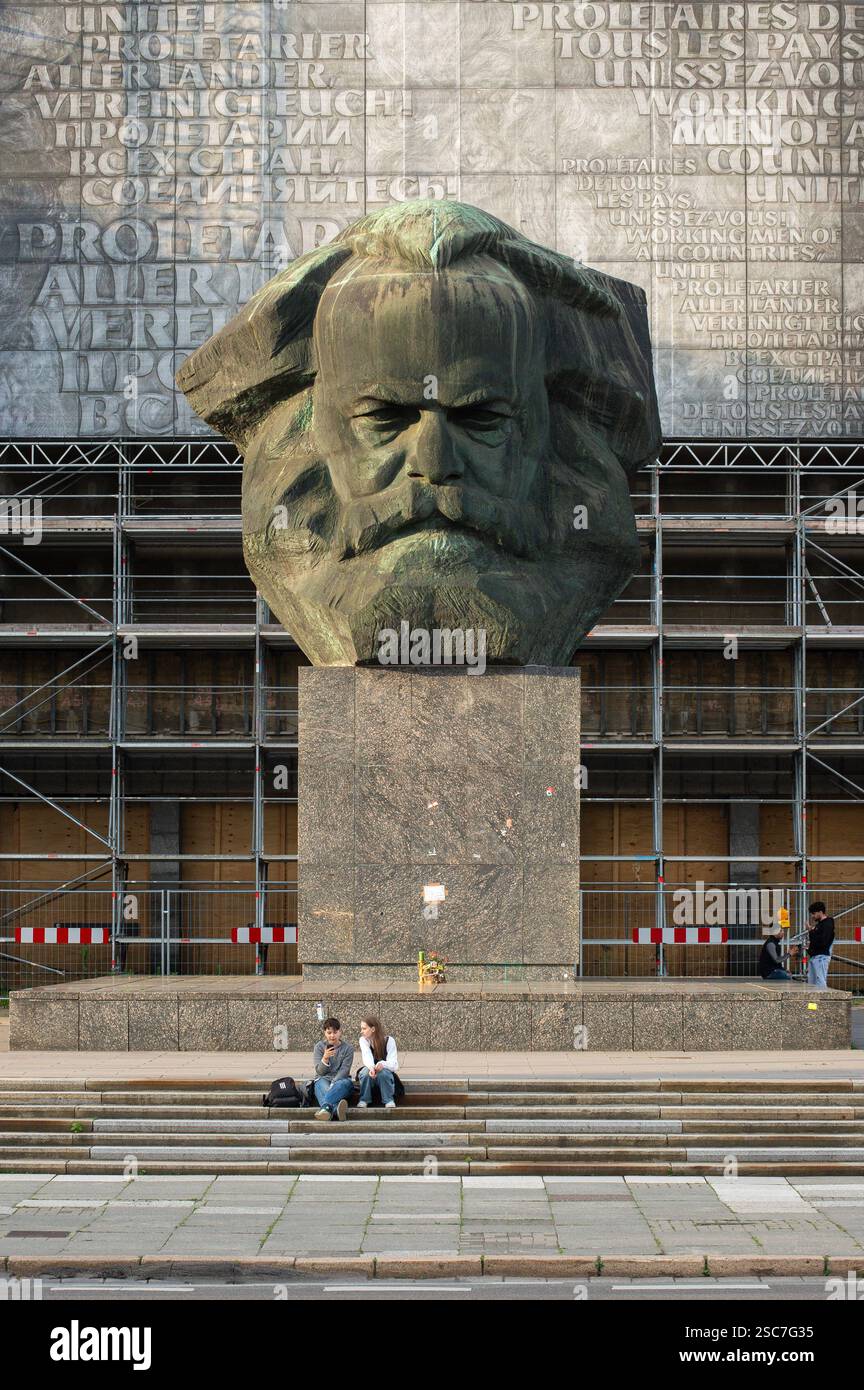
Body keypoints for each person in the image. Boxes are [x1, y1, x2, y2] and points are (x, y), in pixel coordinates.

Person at [312, 1017, 355, 1121]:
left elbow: (345, 1070)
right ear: (325, 1033)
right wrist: (325, 1058)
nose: (332, 1035)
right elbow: (320, 1072)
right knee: (320, 1084)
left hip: (341, 1081)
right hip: (323, 1079)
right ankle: (335, 1110)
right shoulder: (319, 1047)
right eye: (329, 1032)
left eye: (335, 1032)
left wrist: (333, 1083)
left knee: (341, 1085)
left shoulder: (348, 1048)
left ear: (340, 1032)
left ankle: (326, 1109)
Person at [357, 1016, 401, 1112]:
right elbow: (367, 1056)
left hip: (385, 1072)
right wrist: (372, 1068)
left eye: (364, 1028)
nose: (361, 1031)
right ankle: (364, 1099)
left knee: (383, 1073)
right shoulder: (363, 1040)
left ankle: (388, 1100)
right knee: (365, 1073)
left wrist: (383, 1064)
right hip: (370, 1070)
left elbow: (394, 1064)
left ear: (373, 1029)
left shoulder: (389, 1040)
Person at [807, 901, 835, 990]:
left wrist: (811, 932)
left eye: (813, 913)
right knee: (812, 982)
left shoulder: (827, 924)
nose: (812, 916)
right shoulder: (820, 925)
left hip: (821, 957)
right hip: (816, 956)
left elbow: (823, 941)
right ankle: (814, 1003)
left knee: (820, 981)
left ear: (820, 912)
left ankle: (822, 1001)